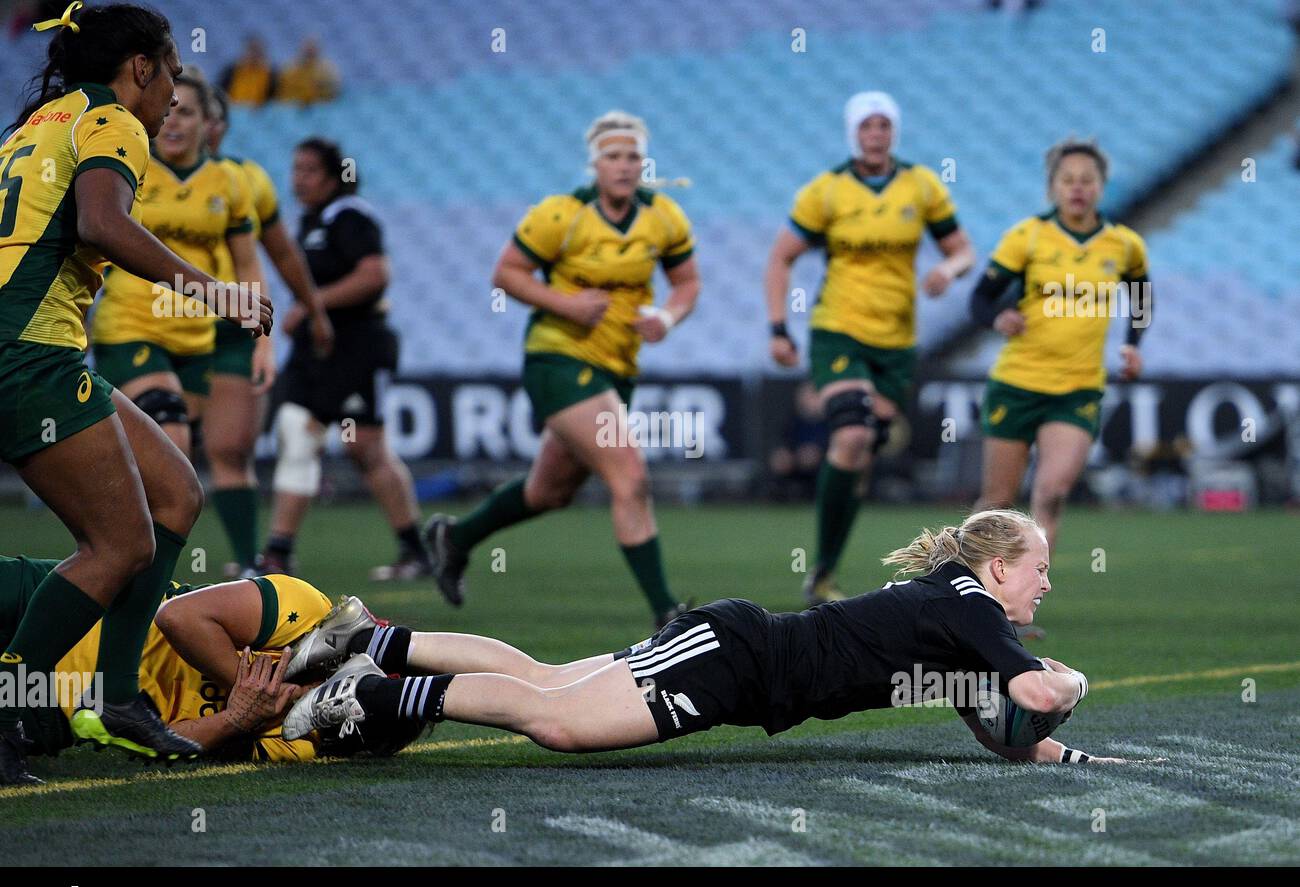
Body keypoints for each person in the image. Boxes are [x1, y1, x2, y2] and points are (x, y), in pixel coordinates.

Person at [287, 510, 1138, 766]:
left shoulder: (959, 612)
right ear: (996, 571)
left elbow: (999, 726)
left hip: (737, 656)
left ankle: (376, 641)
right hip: (736, 661)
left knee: (547, 681)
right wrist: (1073, 683)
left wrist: (1082, 762)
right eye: (1040, 568)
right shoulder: (971, 607)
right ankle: (365, 693)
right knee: (557, 721)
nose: (1047, 582)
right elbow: (1029, 697)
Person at [0, 2, 271, 785]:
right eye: (172, 77)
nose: (172, 96)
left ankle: (118, 697)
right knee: (119, 546)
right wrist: (215, 293)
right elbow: (101, 224)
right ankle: (12, 702)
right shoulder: (112, 120)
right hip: (29, 352)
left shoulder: (36, 123)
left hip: (32, 349)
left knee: (176, 496)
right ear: (141, 70)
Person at [425, 111, 701, 628]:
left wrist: (667, 316)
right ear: (594, 164)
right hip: (557, 358)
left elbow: (687, 283)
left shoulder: (663, 216)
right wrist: (565, 304)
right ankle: (667, 613)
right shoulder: (562, 214)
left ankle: (454, 537)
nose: (623, 166)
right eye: (613, 157)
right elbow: (506, 272)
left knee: (548, 492)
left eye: (633, 156)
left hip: (617, 367)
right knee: (630, 475)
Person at [765, 91, 975, 606]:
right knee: (853, 432)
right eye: (867, 126)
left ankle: (823, 573)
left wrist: (947, 269)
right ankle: (821, 569)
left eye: (884, 126)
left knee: (857, 455)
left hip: (896, 344)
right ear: (853, 133)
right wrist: (778, 327)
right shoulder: (827, 192)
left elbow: (963, 249)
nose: (876, 134)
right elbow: (780, 258)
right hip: (838, 328)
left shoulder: (921, 186)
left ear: (894, 133)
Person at [0, 555, 420, 776]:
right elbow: (177, 617)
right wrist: (244, 682)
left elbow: (157, 744)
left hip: (55, 708)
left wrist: (235, 721)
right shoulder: (307, 612)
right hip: (58, 604)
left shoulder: (302, 739)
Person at [969, 138, 1151, 558]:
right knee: (996, 504)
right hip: (1016, 383)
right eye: (1067, 179)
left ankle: (1024, 605)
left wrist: (1132, 345)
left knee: (1052, 492)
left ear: (1101, 187)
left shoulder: (1123, 245)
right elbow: (980, 298)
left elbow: (1141, 299)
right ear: (1052, 187)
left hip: (1077, 389)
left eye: (1087, 179)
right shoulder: (1027, 237)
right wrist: (999, 318)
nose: (1077, 188)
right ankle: (973, 599)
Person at [261, 137, 428, 582]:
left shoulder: (350, 216)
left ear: (335, 177)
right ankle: (277, 554)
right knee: (297, 432)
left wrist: (314, 304)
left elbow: (375, 276)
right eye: (295, 170)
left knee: (364, 446)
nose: (298, 180)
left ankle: (417, 550)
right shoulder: (309, 221)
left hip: (357, 344)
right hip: (318, 347)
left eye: (309, 171)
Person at [90, 70, 264, 461]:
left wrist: (263, 341)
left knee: (172, 463)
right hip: (131, 326)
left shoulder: (230, 182)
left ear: (208, 123)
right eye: (169, 110)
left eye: (187, 113)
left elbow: (248, 264)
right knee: (170, 434)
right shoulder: (129, 167)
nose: (173, 121)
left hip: (197, 337)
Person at [205, 86, 331, 579]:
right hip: (154, 327)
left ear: (221, 125)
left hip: (228, 329)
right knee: (162, 449)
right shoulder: (138, 171)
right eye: (184, 111)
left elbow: (280, 253)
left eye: (210, 116)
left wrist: (312, 308)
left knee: (231, 449)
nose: (196, 126)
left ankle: (247, 564)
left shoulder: (246, 179)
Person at [273, 36, 340, 107]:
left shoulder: (327, 70)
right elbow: (282, 92)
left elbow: (334, 92)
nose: (310, 52)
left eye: (312, 49)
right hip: (293, 107)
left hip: (319, 107)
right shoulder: (290, 70)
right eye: (308, 50)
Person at [219, 35, 275, 108]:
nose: (254, 55)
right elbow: (220, 93)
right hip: (233, 110)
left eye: (258, 51)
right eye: (252, 50)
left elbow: (272, 100)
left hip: (259, 114)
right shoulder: (231, 72)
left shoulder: (271, 76)